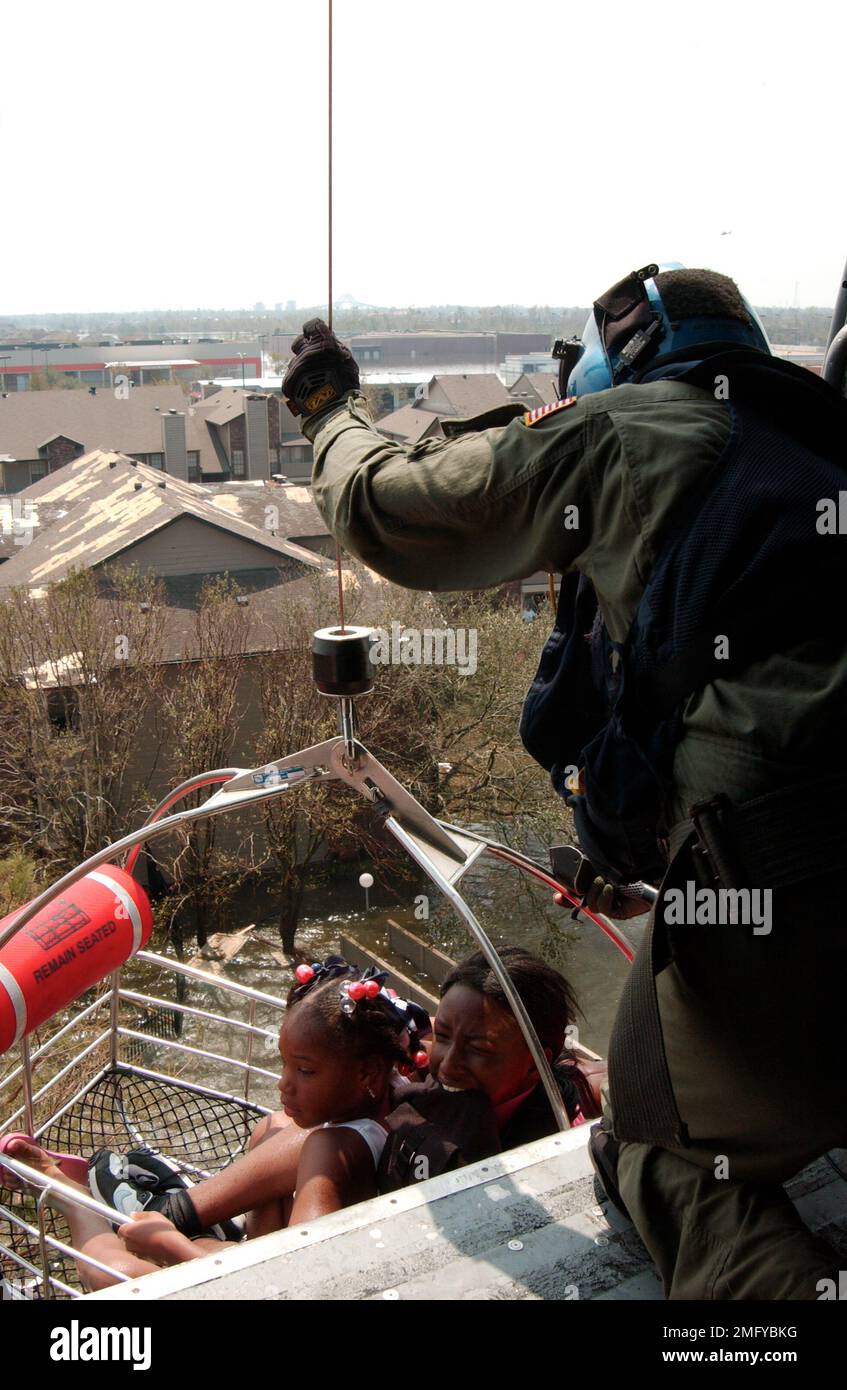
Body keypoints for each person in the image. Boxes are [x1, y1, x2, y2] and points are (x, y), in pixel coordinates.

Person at [281, 267, 847, 1300]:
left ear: (627, 363)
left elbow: (394, 509)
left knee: (657, 1144)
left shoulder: (631, 429)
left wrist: (327, 409)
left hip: (793, 894)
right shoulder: (819, 439)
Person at [1, 957, 428, 1290]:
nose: (284, 1084)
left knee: (109, 1272)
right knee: (274, 1127)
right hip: (258, 1253)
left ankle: (67, 1196)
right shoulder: (394, 1105)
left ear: (367, 1073)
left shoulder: (331, 1149)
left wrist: (176, 1251)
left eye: (305, 1071)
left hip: (266, 1282)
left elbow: (304, 1281)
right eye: (285, 1065)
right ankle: (179, 1220)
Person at [430, 945, 603, 1145]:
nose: (447, 1066)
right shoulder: (413, 1093)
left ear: (535, 1065)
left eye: (478, 1050)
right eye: (442, 1035)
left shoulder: (558, 1147)